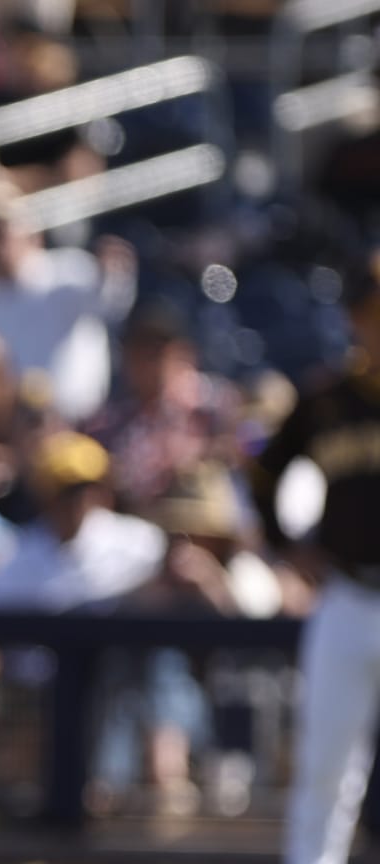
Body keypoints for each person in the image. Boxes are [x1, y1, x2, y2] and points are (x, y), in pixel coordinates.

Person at [251, 250, 380, 864]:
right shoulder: (327, 399)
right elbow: (263, 474)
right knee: (327, 760)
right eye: (369, 310)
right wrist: (285, 545)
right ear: (354, 317)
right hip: (348, 597)